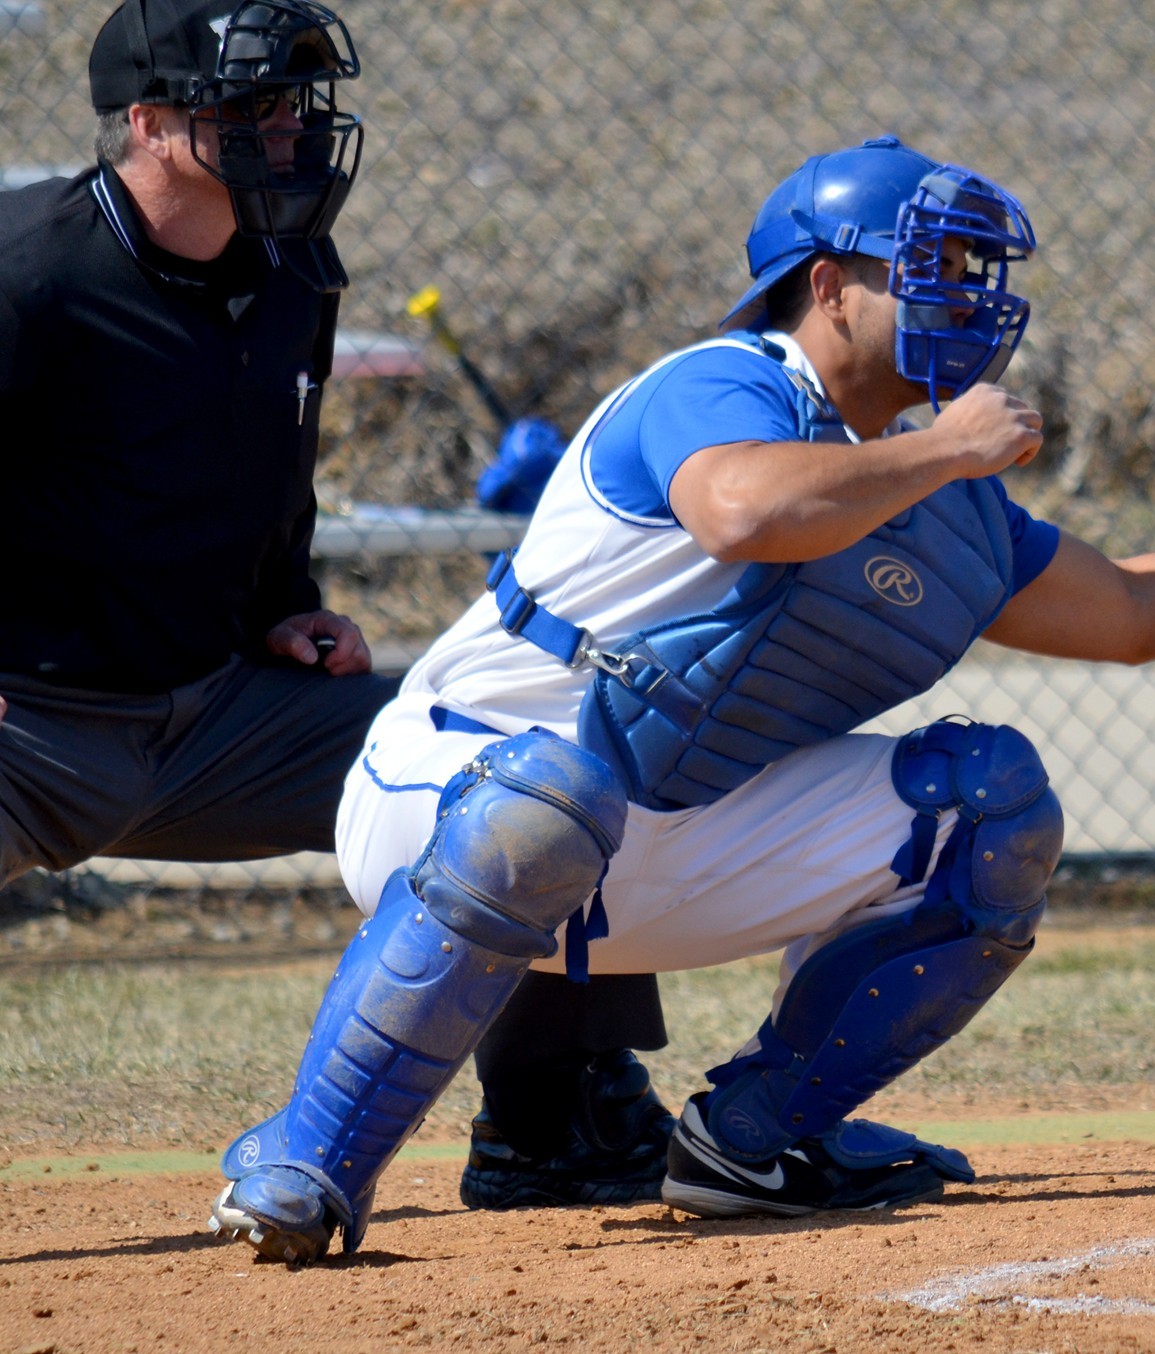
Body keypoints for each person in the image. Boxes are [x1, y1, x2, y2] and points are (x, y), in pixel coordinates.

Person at [210, 133, 1155, 1266]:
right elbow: (745, 510)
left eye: (975, 269)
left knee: (993, 805)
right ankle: (307, 1161)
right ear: (829, 286)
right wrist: (944, 448)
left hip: (663, 840)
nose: (969, 295)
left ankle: (753, 1139)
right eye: (931, 268)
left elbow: (1146, 609)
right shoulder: (725, 379)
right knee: (551, 794)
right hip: (453, 793)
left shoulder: (937, 489)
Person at [0, 0, 671, 1211]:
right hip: (29, 729)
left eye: (298, 101)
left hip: (219, 718)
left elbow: (265, 469)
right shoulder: (27, 271)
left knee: (526, 779)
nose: (289, 130)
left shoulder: (294, 267)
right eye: (251, 104)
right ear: (146, 123)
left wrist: (285, 606)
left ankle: (552, 1108)